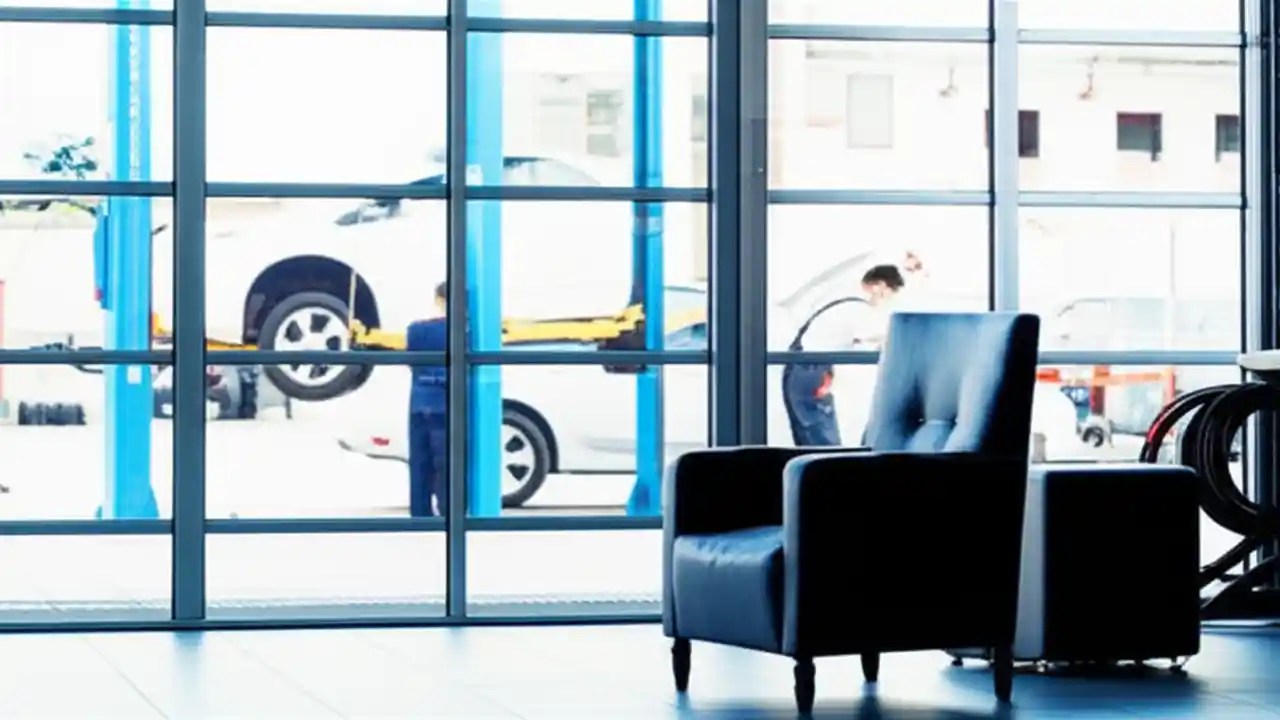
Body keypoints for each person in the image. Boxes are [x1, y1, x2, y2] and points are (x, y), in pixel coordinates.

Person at [782, 255, 922, 447]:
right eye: (890, 293)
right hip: (810, 370)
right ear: (880, 287)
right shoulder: (858, 309)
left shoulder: (842, 297)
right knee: (819, 432)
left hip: (802, 367)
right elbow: (889, 338)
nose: (887, 301)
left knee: (809, 432)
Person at [406, 281, 450, 517]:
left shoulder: (417, 330)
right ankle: (449, 512)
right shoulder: (471, 332)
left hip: (421, 403)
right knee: (447, 464)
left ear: (439, 301)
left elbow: (410, 362)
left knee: (420, 464)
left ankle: (420, 514)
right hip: (450, 405)